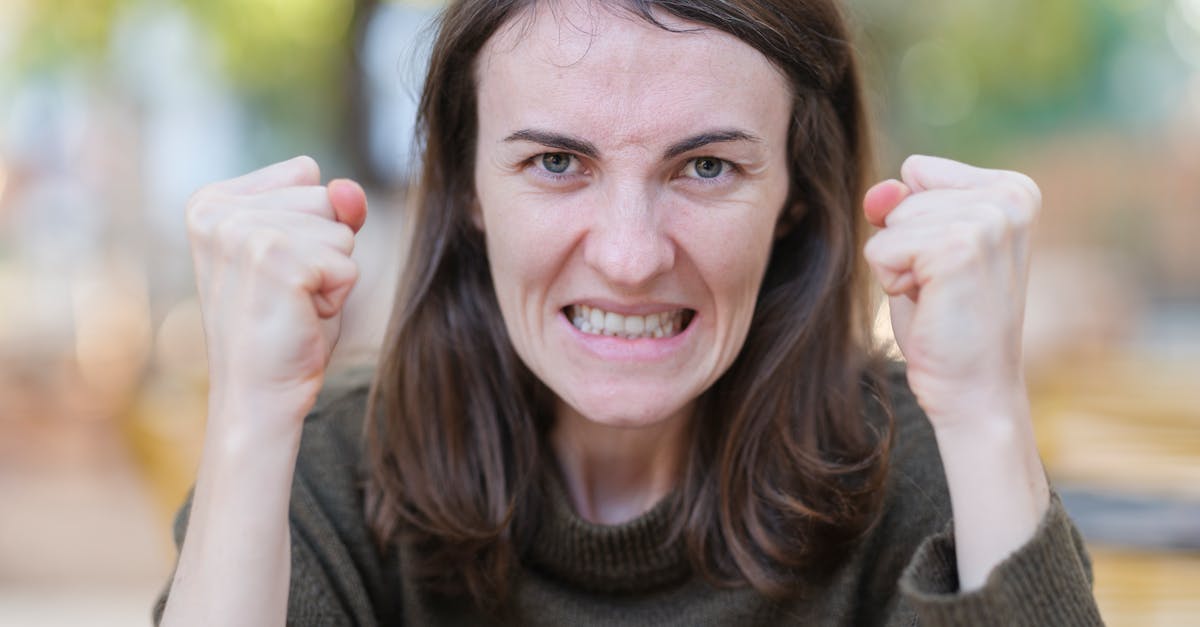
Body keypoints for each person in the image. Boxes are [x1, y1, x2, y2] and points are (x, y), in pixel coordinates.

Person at [155, 0, 1104, 625]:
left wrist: (982, 412)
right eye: (557, 163)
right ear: (471, 189)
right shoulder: (333, 464)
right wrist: (252, 413)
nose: (628, 255)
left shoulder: (917, 466)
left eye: (705, 167)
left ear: (798, 196)